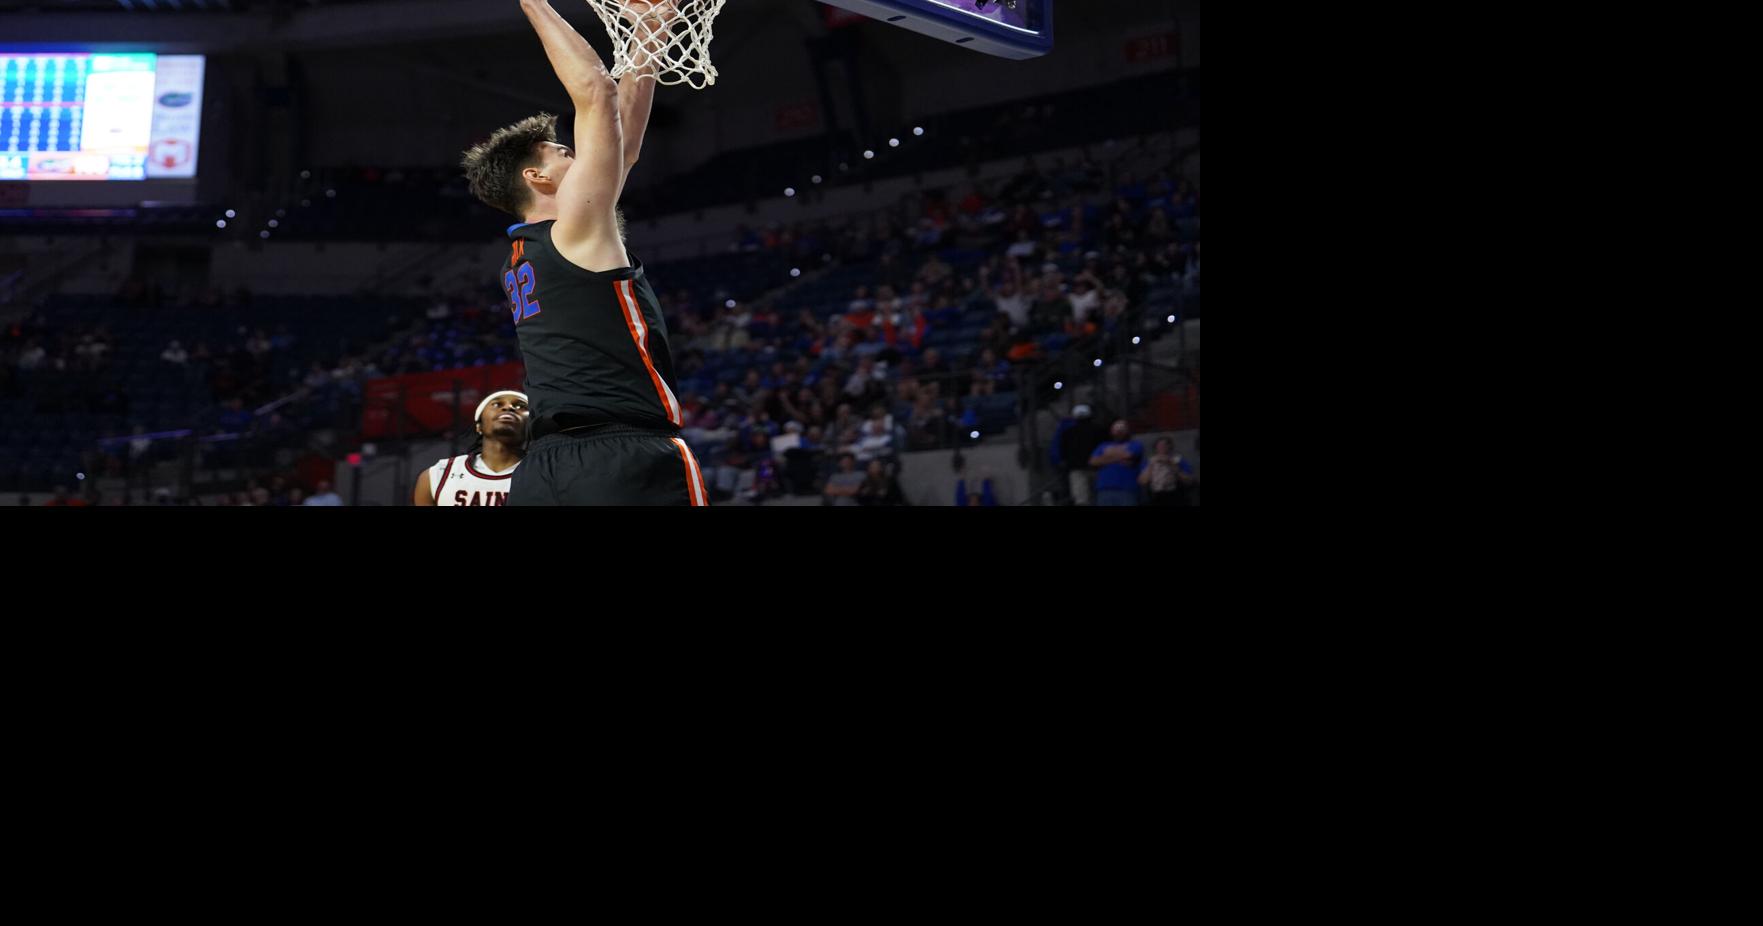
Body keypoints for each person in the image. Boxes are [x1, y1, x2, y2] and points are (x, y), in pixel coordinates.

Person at [461, 0, 706, 505]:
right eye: (564, 152)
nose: (582, 153)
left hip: (544, 470)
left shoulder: (523, 254)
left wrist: (650, 35)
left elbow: (625, 145)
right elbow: (597, 92)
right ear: (537, 177)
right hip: (620, 457)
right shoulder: (573, 230)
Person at [414, 390, 531, 507]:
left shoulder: (544, 474)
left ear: (531, 427)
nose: (508, 408)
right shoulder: (438, 475)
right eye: (497, 404)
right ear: (479, 426)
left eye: (520, 406)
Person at [1088, 419, 1145, 507]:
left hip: (1127, 489)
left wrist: (1106, 456)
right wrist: (1119, 457)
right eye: (1116, 428)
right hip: (1104, 489)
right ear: (1111, 431)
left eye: (1122, 428)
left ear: (1128, 430)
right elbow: (1093, 461)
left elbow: (1128, 455)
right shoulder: (1103, 445)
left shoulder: (1135, 444)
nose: (1119, 431)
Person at [1138, 436, 1197, 507]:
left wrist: (1172, 465)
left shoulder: (1179, 460)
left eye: (1165, 445)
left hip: (1175, 495)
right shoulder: (1149, 461)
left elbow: (1189, 480)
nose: (1161, 447)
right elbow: (1142, 481)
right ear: (1155, 448)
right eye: (1159, 445)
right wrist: (1151, 465)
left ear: (1170, 447)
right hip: (1155, 496)